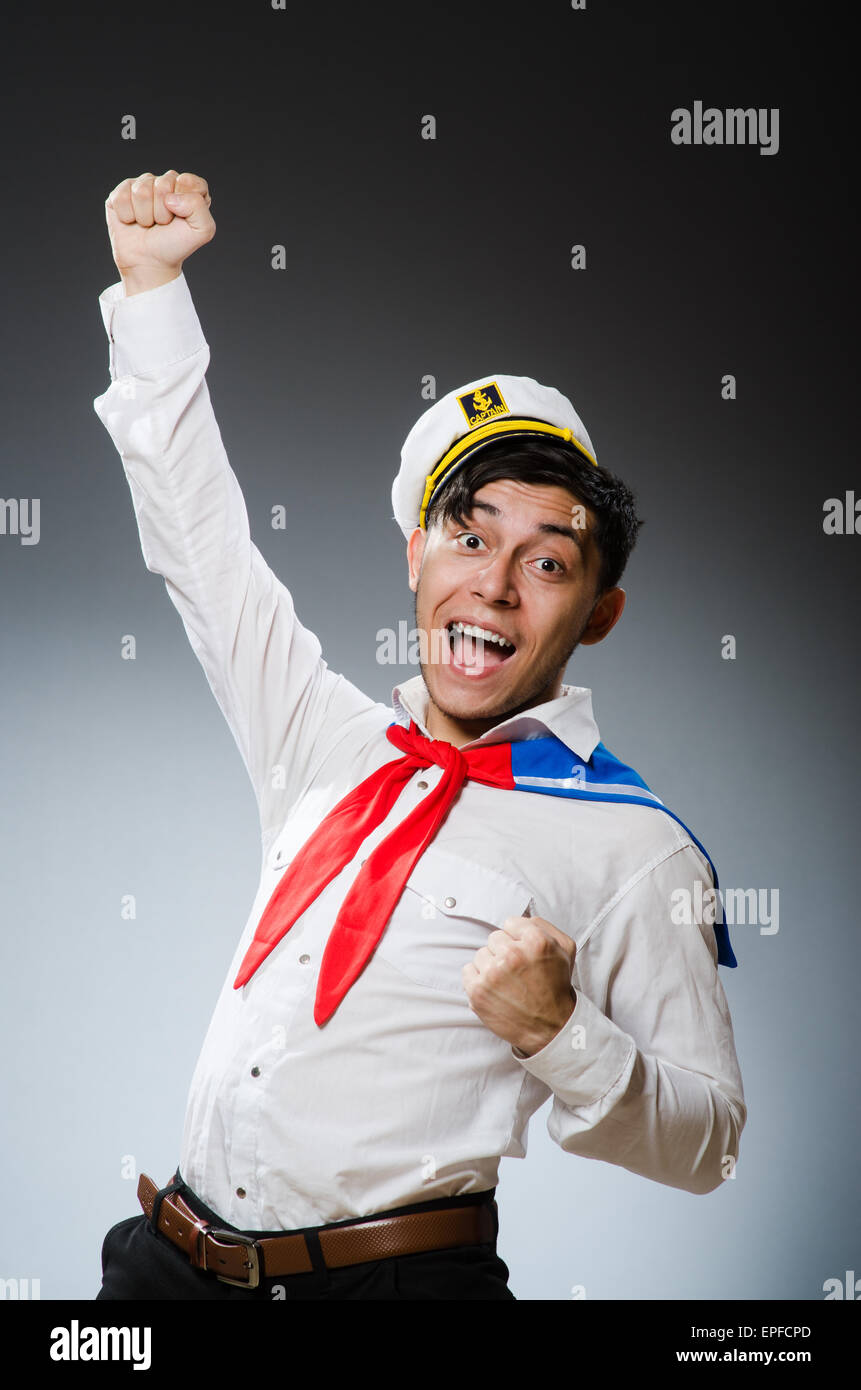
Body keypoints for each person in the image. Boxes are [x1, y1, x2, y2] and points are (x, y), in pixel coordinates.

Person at [92, 169, 746, 1301]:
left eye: (547, 559)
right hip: (167, 1269)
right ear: (416, 558)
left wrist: (562, 1032)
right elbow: (199, 544)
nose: (493, 586)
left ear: (599, 613)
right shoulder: (324, 735)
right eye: (468, 535)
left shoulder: (637, 847)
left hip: (393, 1293)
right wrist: (151, 292)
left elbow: (711, 1141)